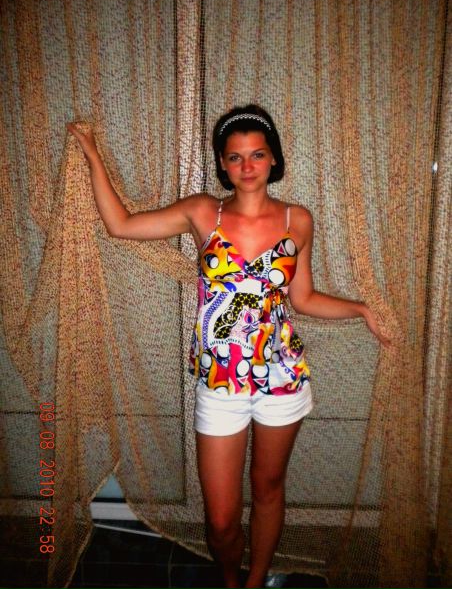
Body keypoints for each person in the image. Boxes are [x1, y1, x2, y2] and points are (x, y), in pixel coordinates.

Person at [67, 104, 388, 589]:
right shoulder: (203, 212)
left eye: (257, 154)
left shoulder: (298, 220)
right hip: (219, 382)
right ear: (222, 163)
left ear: (274, 158)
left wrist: (360, 309)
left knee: (267, 488)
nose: (247, 165)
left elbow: (302, 298)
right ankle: (229, 578)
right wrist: (93, 155)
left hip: (282, 378)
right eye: (235, 157)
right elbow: (121, 225)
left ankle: (254, 581)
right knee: (220, 520)